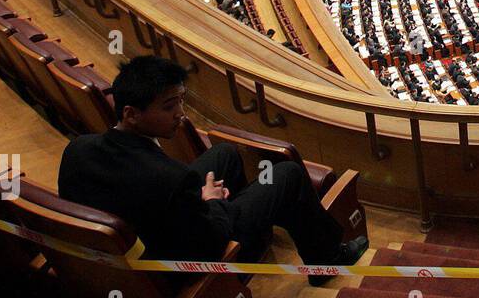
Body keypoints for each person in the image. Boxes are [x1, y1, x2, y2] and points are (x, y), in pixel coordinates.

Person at [58, 57, 368, 281]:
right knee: (288, 174)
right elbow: (210, 242)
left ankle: (255, 228)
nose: (181, 114)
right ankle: (326, 261)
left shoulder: (78, 148)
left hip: (152, 231)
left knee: (224, 153)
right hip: (194, 261)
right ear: (131, 114)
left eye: (181, 100)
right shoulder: (171, 180)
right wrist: (212, 202)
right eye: (169, 106)